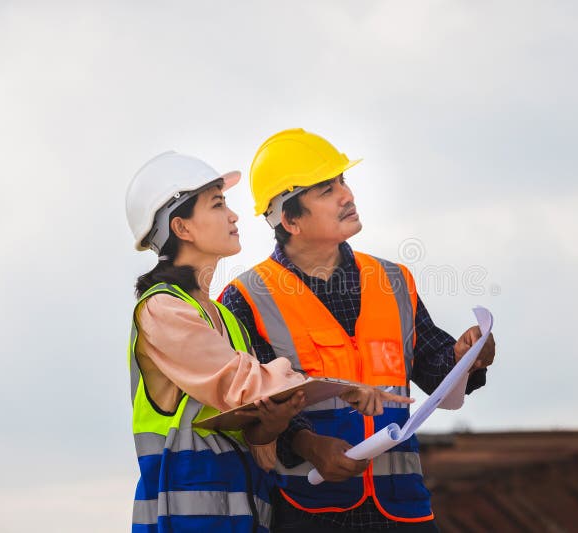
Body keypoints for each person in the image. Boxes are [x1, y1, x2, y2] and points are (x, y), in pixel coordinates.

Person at [219, 129, 497, 532]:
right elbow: (251, 410)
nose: (346, 195)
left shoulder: (394, 280)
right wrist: (309, 445)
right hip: (309, 510)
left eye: (343, 181)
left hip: (402, 507)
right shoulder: (246, 297)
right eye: (326, 189)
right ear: (290, 219)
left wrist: (467, 355)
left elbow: (434, 370)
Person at [124, 151, 408, 533]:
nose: (234, 216)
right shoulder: (162, 309)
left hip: (242, 517)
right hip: (186, 519)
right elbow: (242, 384)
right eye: (218, 204)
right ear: (182, 228)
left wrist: (272, 422)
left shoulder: (225, 318)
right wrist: (340, 388)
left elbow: (256, 438)